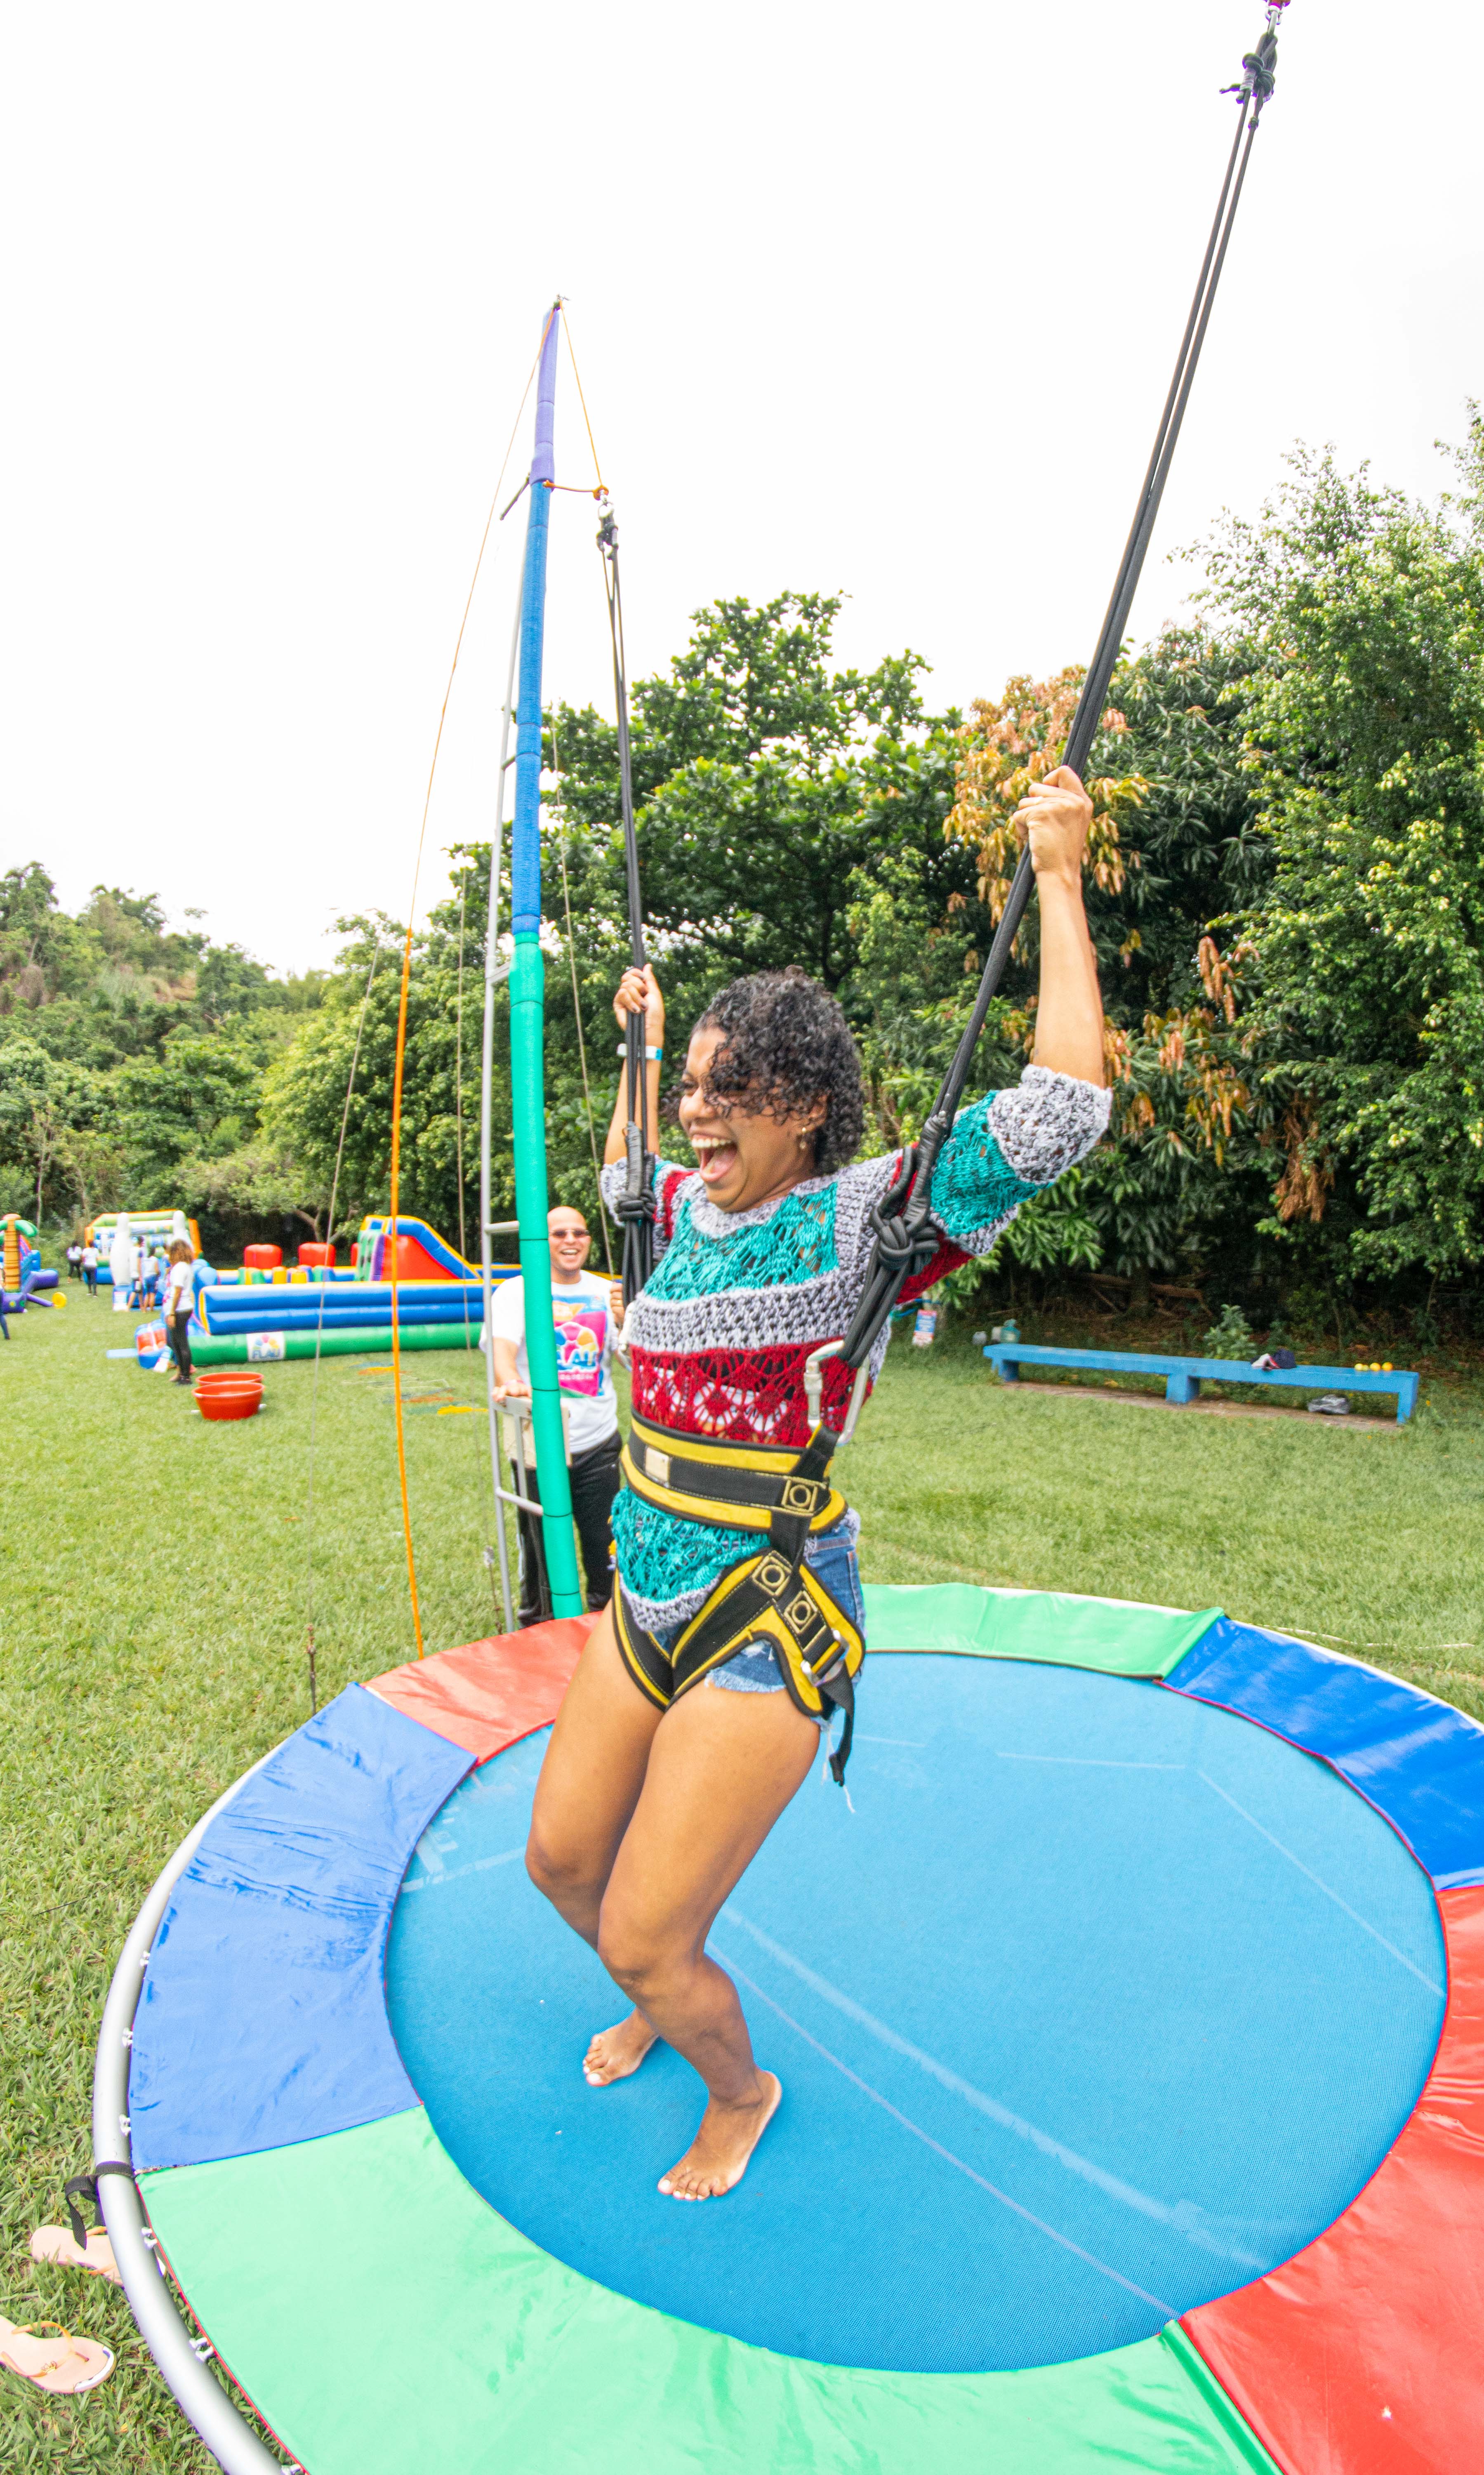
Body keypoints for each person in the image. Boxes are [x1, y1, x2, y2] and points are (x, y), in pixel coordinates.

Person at [523, 766, 1111, 2204]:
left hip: (762, 1608)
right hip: (639, 1596)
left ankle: (739, 2085)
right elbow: (619, 1180)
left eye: (735, 1092)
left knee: (653, 1931)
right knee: (562, 1870)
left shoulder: (869, 1223)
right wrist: (642, 1055)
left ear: (808, 1110)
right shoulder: (680, 1205)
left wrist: (1056, 878)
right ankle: (652, 1990)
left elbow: (1065, 1112)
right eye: (702, 1090)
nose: (703, 1120)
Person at [489, 1208, 625, 1619]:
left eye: (579, 1233)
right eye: (559, 1233)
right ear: (540, 1241)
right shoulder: (516, 1292)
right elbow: (503, 1353)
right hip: (537, 1439)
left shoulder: (607, 1294)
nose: (571, 1240)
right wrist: (512, 1382)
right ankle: (538, 1629)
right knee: (540, 1547)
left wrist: (626, 1323)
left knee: (604, 1542)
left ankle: (606, 1624)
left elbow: (635, 1364)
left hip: (598, 1440)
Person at [163, 1239, 195, 1386]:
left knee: (181, 1343)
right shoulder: (186, 1267)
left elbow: (177, 1292)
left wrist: (172, 1313)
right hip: (184, 1308)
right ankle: (182, 1373)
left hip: (180, 1309)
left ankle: (186, 1377)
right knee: (176, 1342)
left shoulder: (180, 1268)